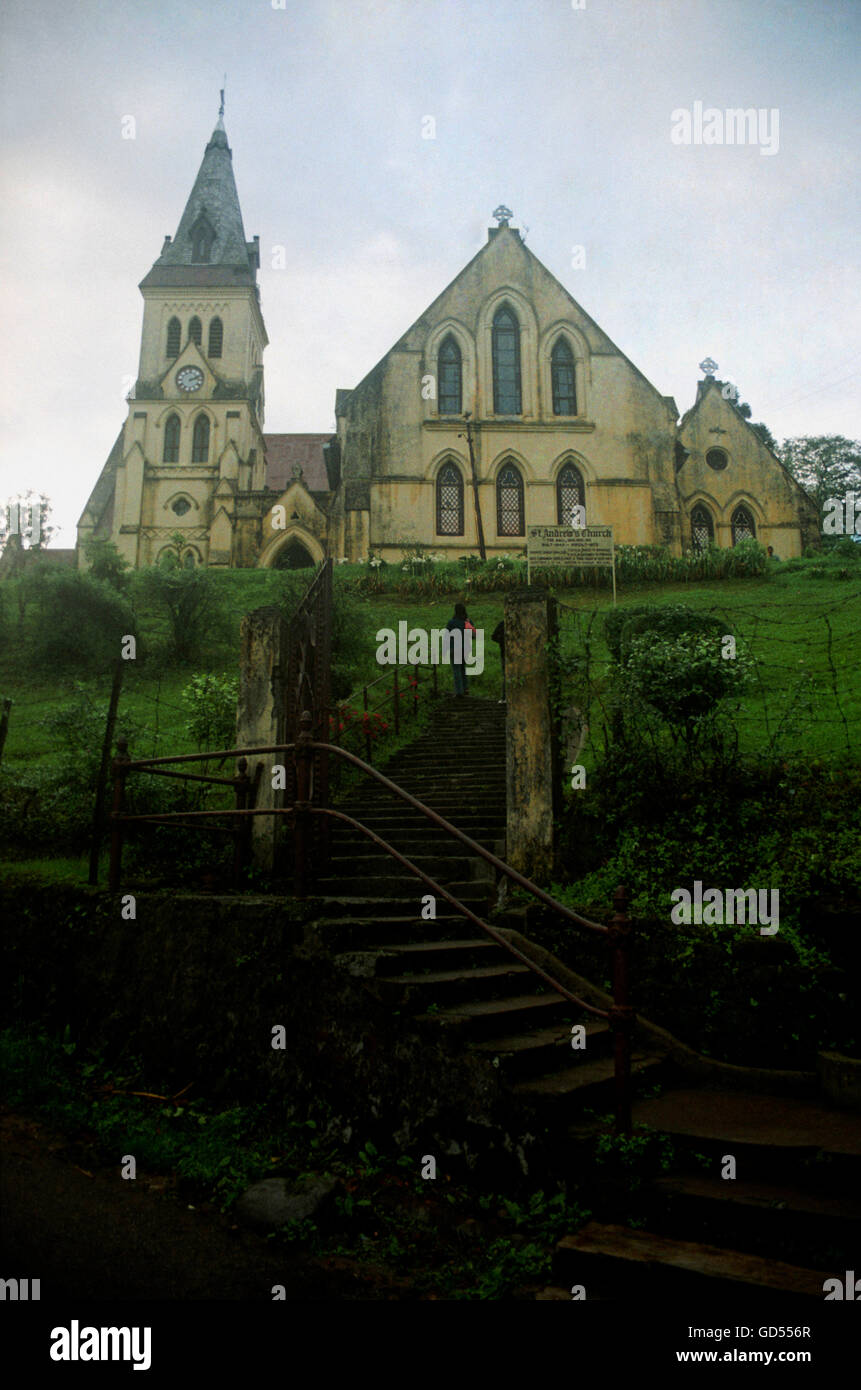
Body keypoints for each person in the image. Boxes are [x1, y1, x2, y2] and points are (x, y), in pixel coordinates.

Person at [446, 602, 470, 696]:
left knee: (456, 670)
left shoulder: (451, 622)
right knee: (463, 668)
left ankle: (459, 692)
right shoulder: (467, 622)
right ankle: (465, 688)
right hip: (465, 649)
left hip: (455, 649)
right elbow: (473, 635)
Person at [491, 618, 506, 703]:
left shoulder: (502, 623)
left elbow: (493, 636)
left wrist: (501, 642)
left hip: (504, 652)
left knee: (505, 675)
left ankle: (504, 697)